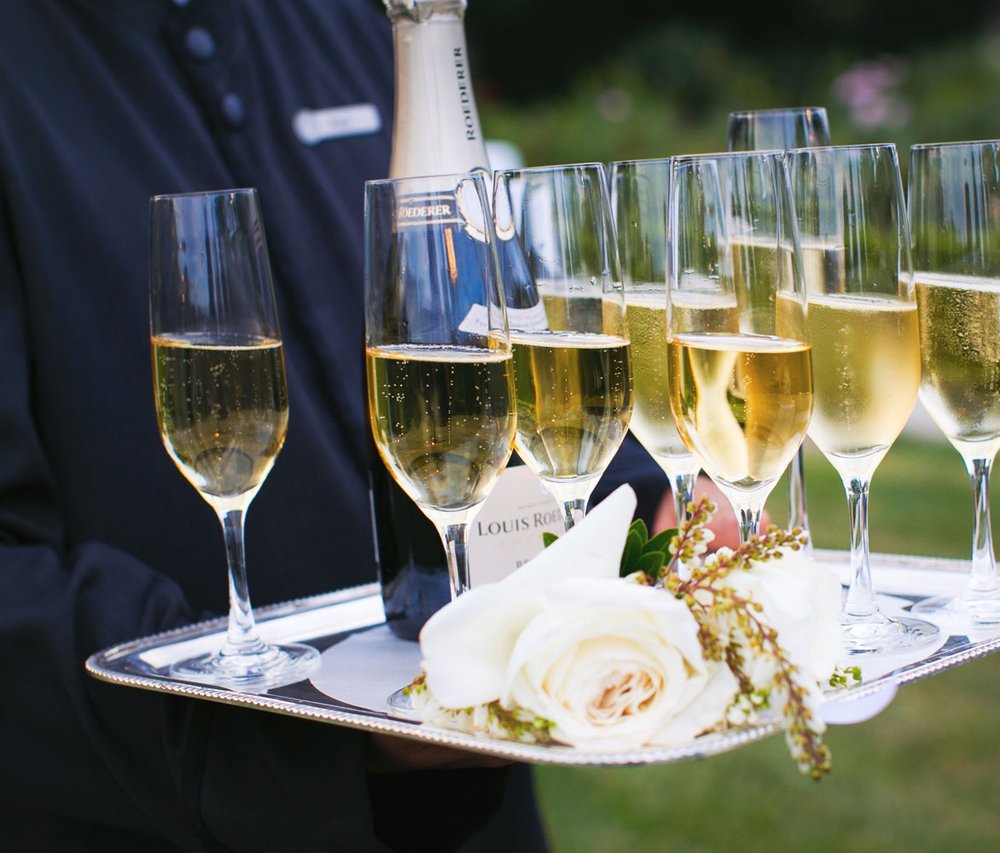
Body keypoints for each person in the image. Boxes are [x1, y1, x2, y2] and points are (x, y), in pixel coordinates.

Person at [0, 1, 677, 848]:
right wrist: (306, 737)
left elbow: (489, 338)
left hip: (481, 813)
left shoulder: (373, 19)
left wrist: (641, 500)